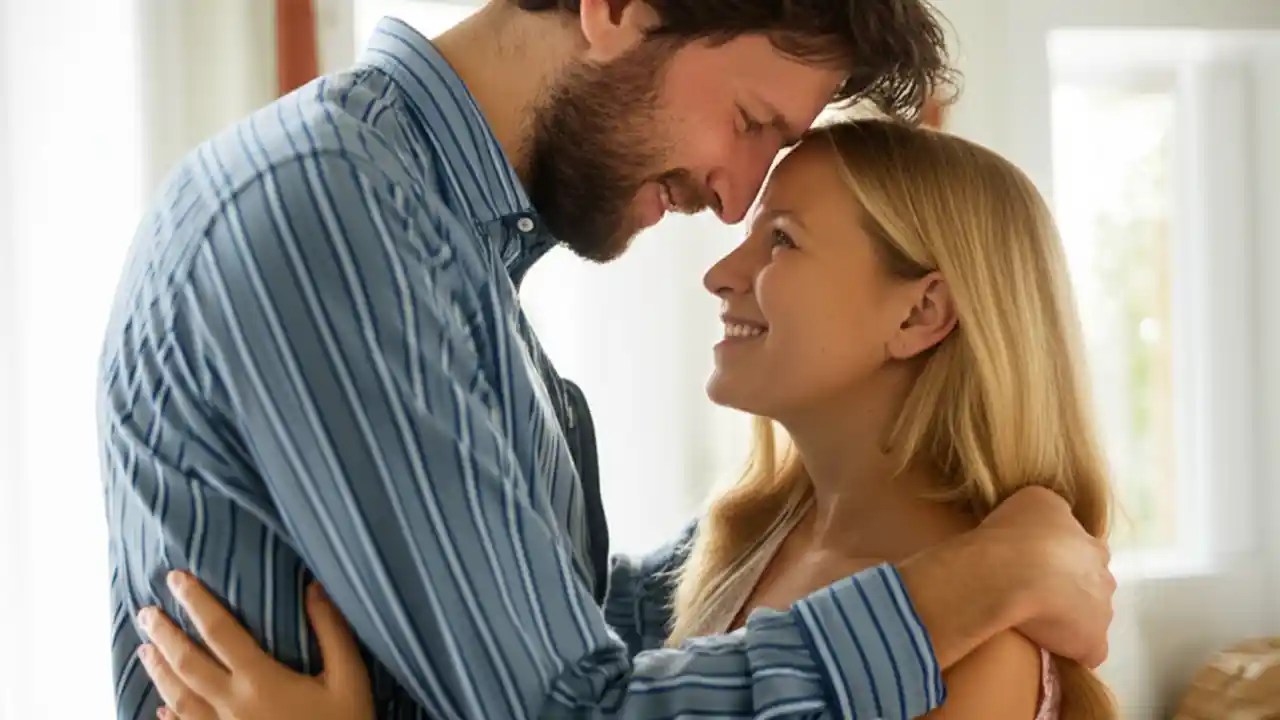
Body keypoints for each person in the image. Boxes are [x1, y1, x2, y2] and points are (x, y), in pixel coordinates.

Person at [98, 2, 1115, 719]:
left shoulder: (429, 240)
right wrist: (979, 577)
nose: (727, 201)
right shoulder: (341, 220)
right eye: (750, 122)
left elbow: (554, 616)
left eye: (779, 225)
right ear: (616, 8)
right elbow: (563, 704)